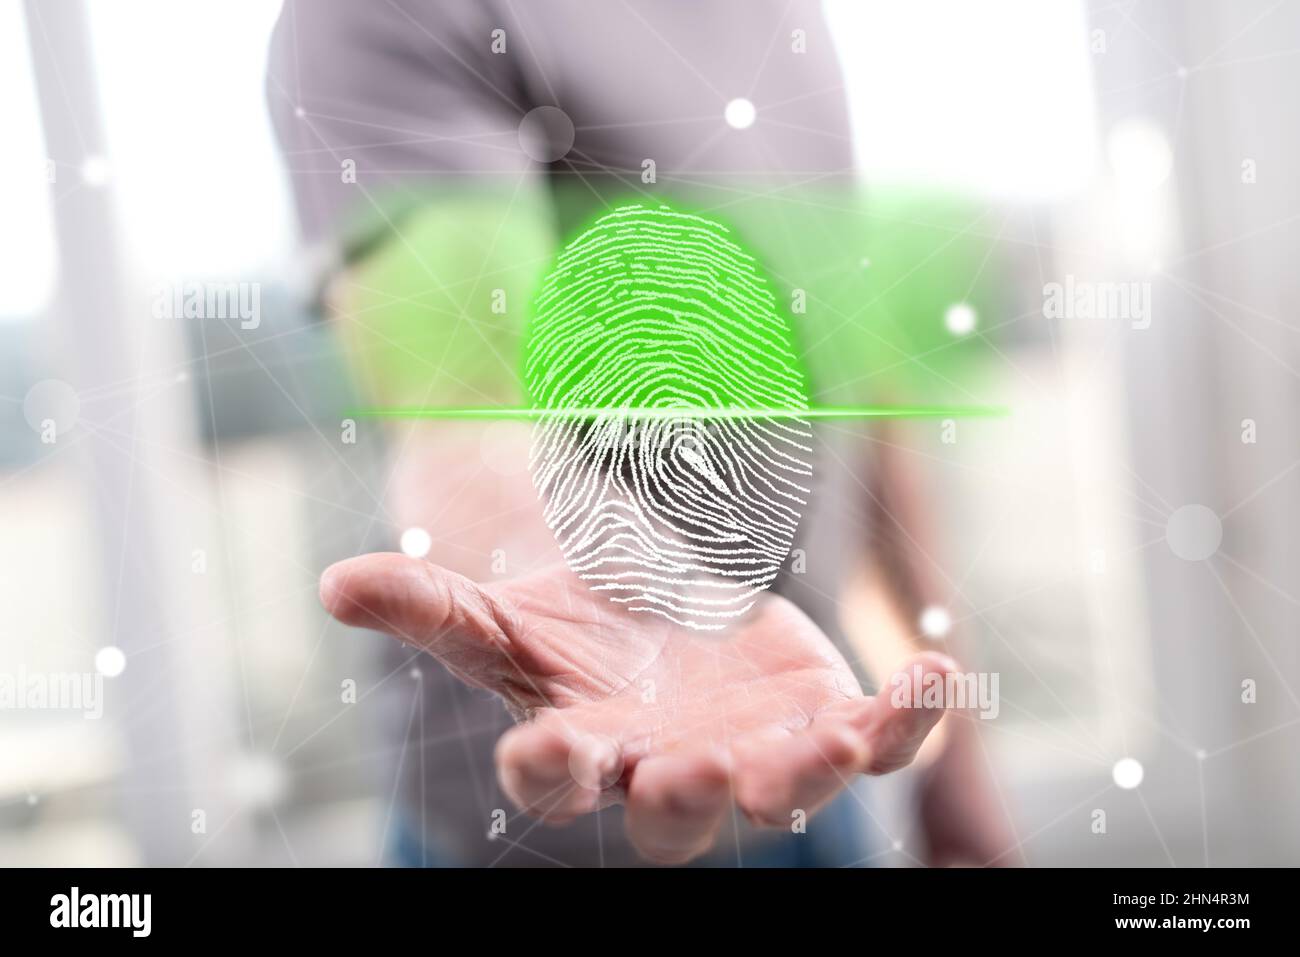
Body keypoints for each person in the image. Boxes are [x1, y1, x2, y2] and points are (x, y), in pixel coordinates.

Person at [267, 0, 1012, 867]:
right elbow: (468, 392)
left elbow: (861, 395)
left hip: (811, 757)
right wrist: (634, 623)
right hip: (553, 826)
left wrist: (958, 757)